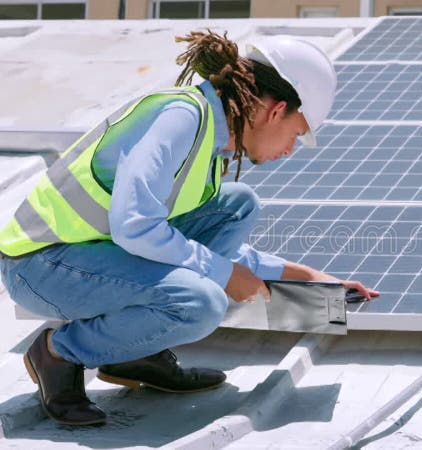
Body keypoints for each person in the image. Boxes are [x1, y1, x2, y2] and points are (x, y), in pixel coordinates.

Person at [0, 30, 379, 426]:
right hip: (40, 265)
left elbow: (217, 255)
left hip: (93, 255)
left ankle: (134, 354)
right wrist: (224, 274)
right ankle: (59, 352)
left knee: (237, 204)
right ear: (275, 110)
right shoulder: (182, 117)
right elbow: (136, 227)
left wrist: (312, 279)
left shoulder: (209, 140)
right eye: (296, 135)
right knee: (200, 303)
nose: (288, 150)